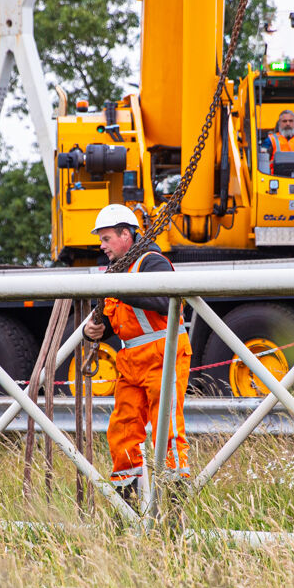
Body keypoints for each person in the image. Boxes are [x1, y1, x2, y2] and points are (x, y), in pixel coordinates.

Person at [83, 203, 191, 509]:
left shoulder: (152, 261)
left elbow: (166, 300)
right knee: (122, 429)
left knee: (166, 430)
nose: (101, 246)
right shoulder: (114, 273)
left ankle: (173, 506)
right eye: (101, 240)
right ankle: (127, 505)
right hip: (130, 363)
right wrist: (91, 332)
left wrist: (117, 287)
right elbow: (108, 321)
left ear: (125, 234)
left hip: (163, 357)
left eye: (106, 239)